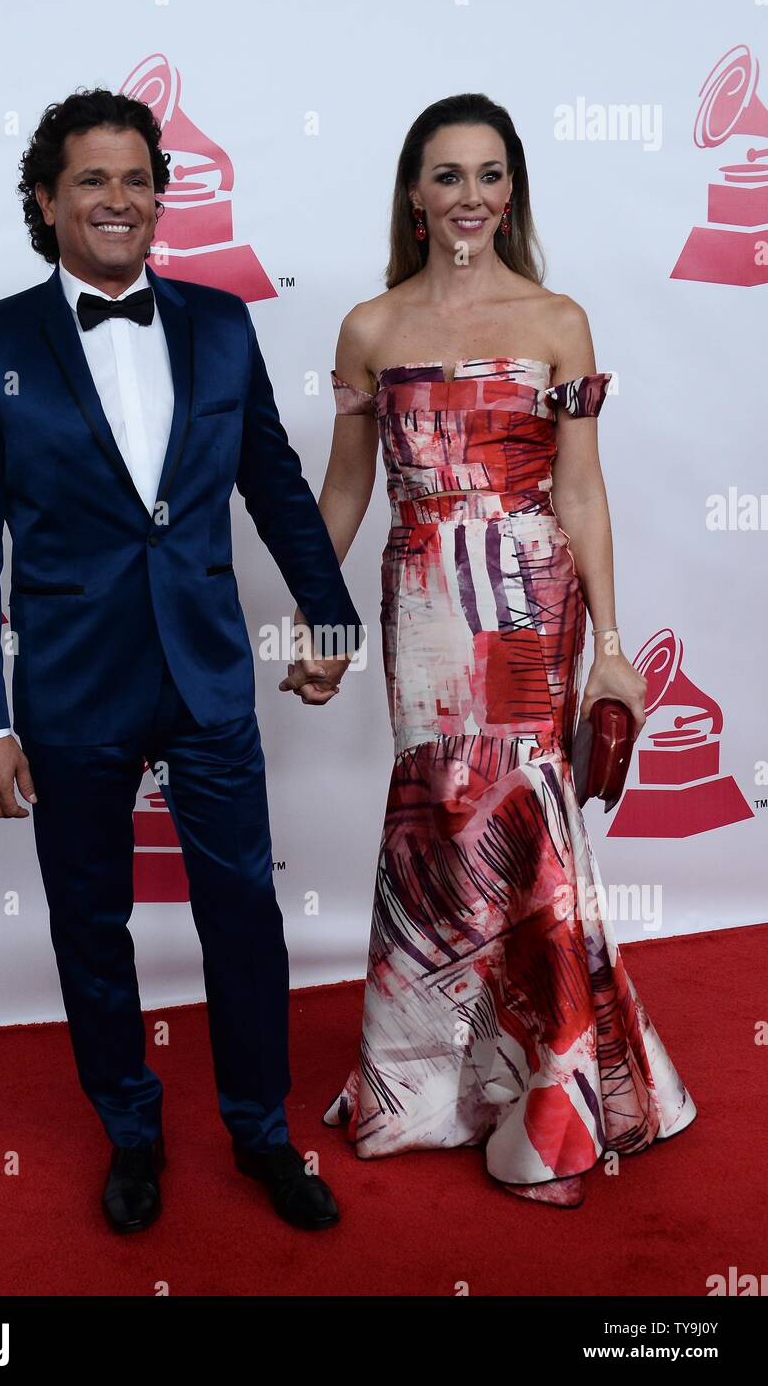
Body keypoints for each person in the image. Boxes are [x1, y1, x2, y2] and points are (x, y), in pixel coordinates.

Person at [0, 88, 365, 1234]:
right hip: (71, 689)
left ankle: (262, 1132)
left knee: (243, 912)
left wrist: (328, 617)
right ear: (46, 199)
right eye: (91, 180)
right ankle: (131, 1130)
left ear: (161, 198)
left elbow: (271, 479)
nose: (118, 199)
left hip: (207, 670)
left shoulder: (221, 324)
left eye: (136, 179)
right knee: (90, 918)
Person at [282, 93, 696, 1208]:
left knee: (523, 804)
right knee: (438, 810)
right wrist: (318, 618)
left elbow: (580, 486)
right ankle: (439, 1086)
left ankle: (553, 1086)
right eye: (447, 175)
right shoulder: (369, 327)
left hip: (528, 592)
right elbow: (348, 486)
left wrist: (609, 646)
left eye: (489, 174)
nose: (470, 196)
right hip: (421, 599)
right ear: (413, 196)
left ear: (513, 190)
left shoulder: (557, 318)